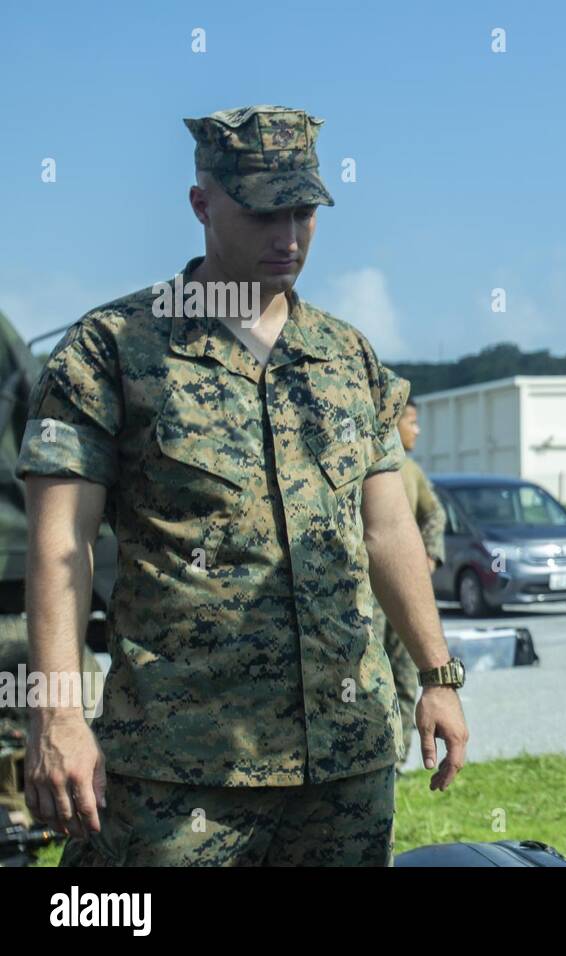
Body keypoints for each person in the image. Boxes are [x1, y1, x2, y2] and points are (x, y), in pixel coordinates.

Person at [18, 105, 468, 866]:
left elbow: (386, 528)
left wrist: (437, 675)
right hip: (181, 771)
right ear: (202, 205)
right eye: (264, 211)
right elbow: (61, 545)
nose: (287, 236)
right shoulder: (115, 349)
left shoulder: (345, 357)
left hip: (343, 762)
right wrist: (57, 713)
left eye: (303, 210)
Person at [373, 400, 447, 768]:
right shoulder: (362, 465)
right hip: (367, 597)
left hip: (404, 593)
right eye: (412, 422)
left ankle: (397, 759)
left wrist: (429, 556)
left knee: (404, 676)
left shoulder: (411, 471)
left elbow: (434, 513)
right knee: (370, 677)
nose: (416, 430)